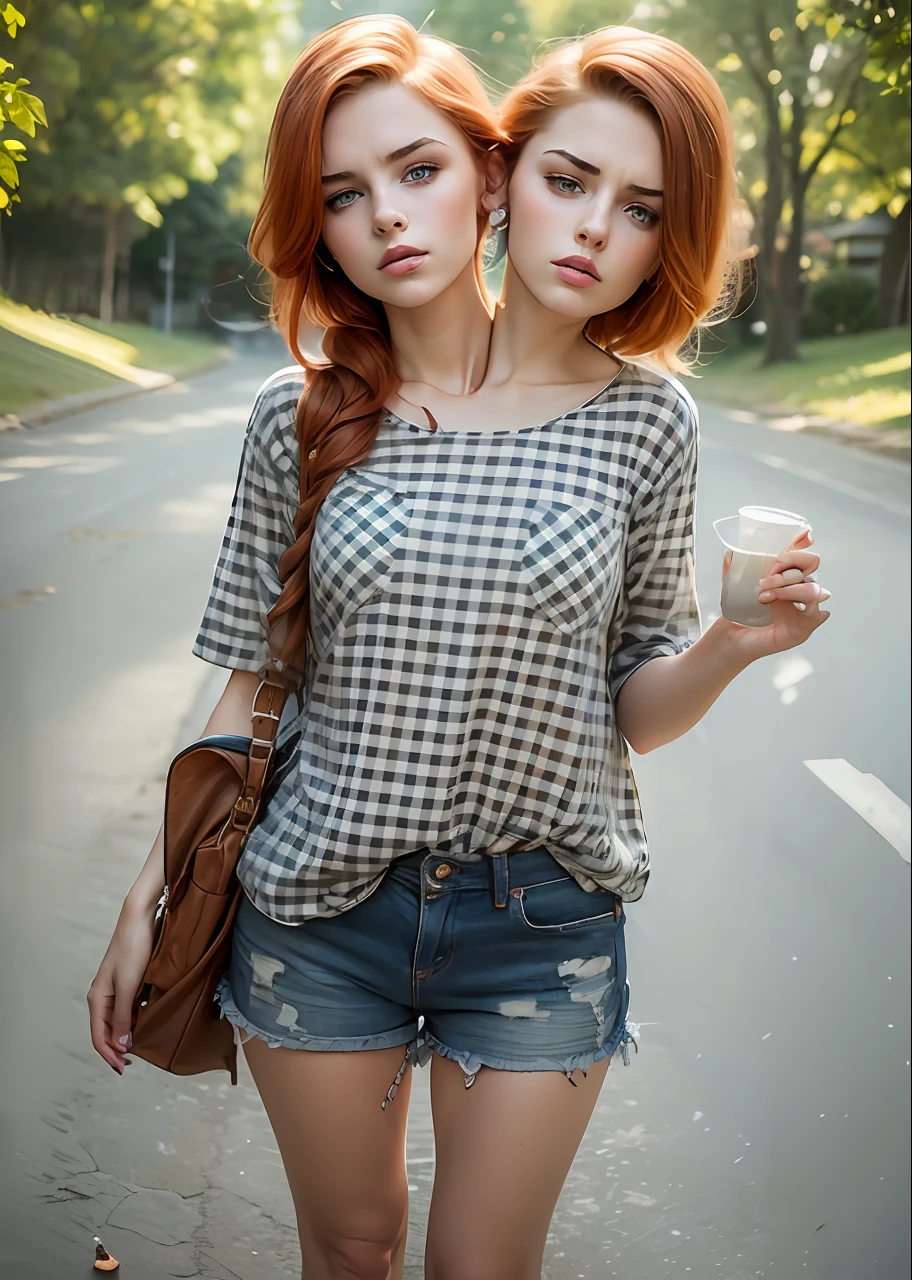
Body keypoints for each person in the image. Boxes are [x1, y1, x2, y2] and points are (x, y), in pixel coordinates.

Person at [88, 19, 831, 1280]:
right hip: (322, 905)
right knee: (353, 1244)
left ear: (482, 177)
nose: (386, 216)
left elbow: (632, 707)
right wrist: (142, 898)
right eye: (343, 194)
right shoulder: (301, 415)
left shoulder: (647, 422)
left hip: (542, 918)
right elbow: (247, 683)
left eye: (417, 171)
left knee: (483, 1264)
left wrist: (728, 647)